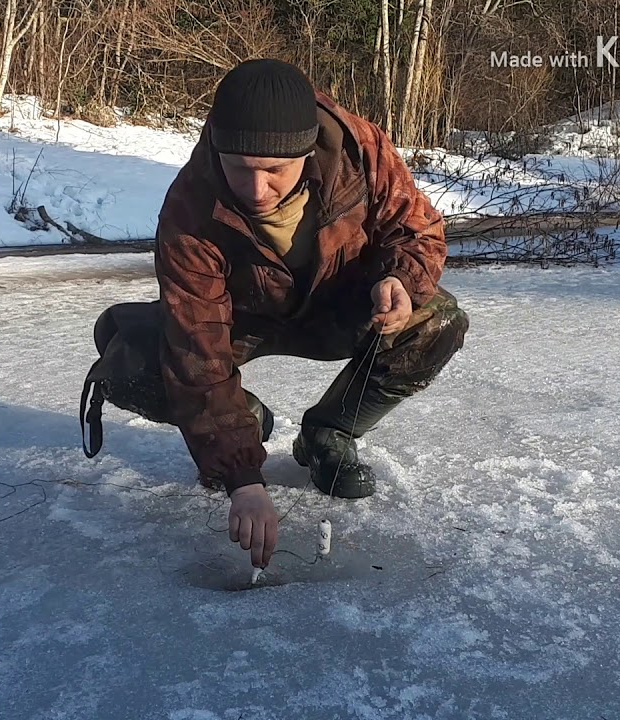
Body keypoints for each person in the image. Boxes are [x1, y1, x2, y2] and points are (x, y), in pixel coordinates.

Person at [79, 58, 469, 569]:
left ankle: (330, 432)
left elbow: (416, 230)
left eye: (274, 171)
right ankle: (248, 420)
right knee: (130, 360)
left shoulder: (363, 150)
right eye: (238, 169)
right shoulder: (190, 207)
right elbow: (197, 341)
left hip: (341, 307)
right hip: (241, 319)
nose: (257, 190)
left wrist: (399, 281)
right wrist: (241, 476)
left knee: (438, 319)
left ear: (306, 153)